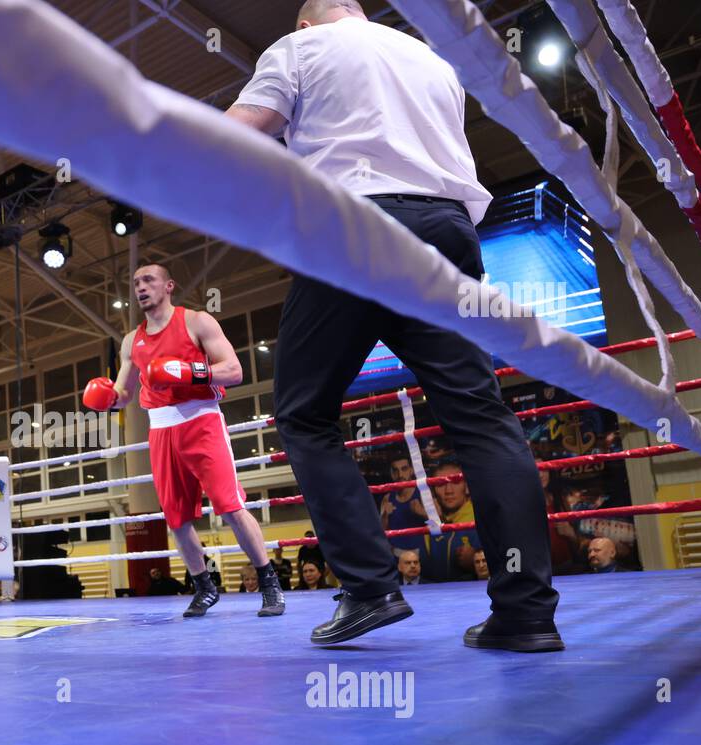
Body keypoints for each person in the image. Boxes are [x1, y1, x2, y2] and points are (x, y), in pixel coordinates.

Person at [226, 0, 561, 651]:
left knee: (303, 412)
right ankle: (527, 613)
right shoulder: (431, 58)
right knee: (480, 415)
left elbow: (236, 135)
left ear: (306, 22)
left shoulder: (299, 50)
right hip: (446, 231)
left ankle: (371, 586)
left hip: (351, 224)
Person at [84, 262, 285, 618]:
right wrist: (107, 398)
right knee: (176, 518)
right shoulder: (132, 340)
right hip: (161, 429)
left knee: (231, 506)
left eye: (148, 280)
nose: (140, 287)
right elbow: (124, 392)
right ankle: (204, 587)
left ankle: (270, 583)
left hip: (201, 420)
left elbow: (234, 371)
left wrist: (188, 371)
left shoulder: (197, 321)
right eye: (135, 283)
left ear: (169, 286)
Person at [420, 462, 481, 583]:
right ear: (433, 492)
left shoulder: (481, 518)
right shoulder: (430, 525)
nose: (449, 491)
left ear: (467, 487)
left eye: (455, 482)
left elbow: (512, 562)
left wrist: (477, 561)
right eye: (441, 484)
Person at [380, 455, 427, 555]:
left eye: (404, 469)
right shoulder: (387, 498)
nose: (400, 474)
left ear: (411, 470)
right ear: (392, 473)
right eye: (395, 470)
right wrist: (385, 516)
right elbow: (382, 531)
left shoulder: (423, 494)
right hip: (396, 556)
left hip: (420, 555)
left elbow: (440, 524)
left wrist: (422, 513)